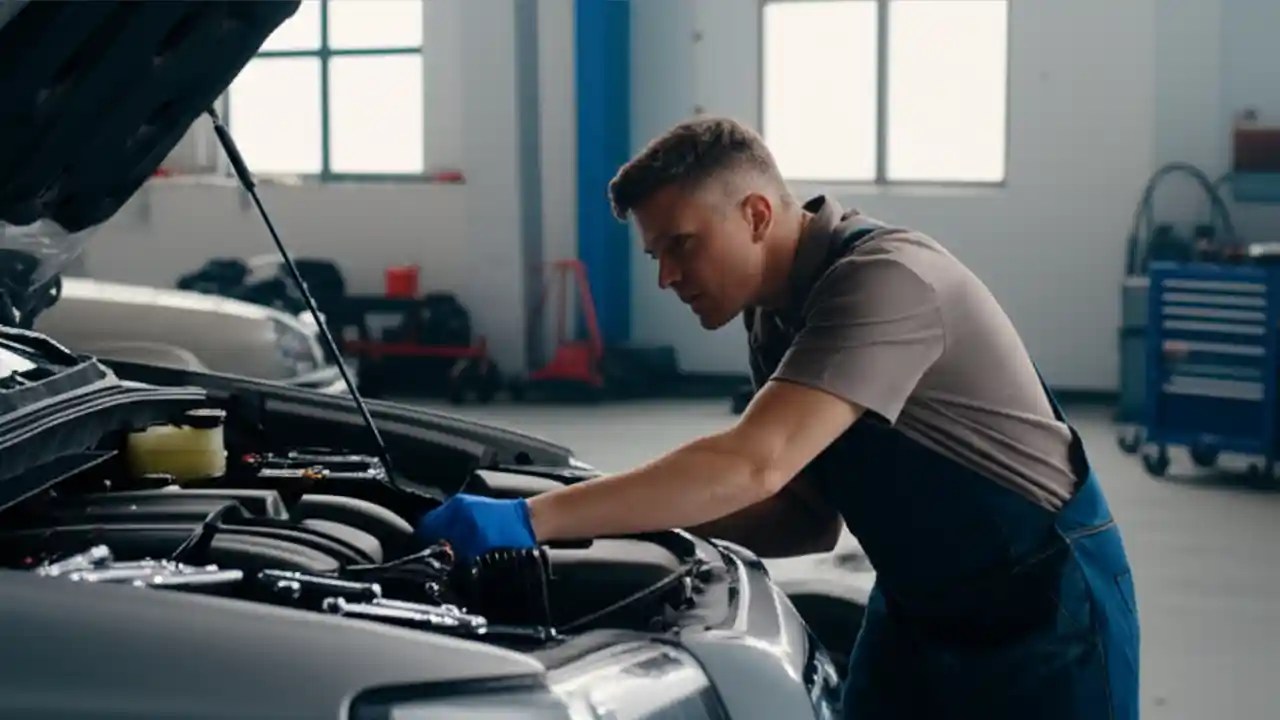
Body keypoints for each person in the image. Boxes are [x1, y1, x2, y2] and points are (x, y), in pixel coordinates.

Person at [417, 116, 1139, 719]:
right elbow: (802, 518)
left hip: (1046, 607)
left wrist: (539, 518)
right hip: (918, 603)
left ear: (756, 214)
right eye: (654, 254)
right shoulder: (773, 318)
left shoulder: (887, 282)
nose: (665, 276)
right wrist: (617, 516)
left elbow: (752, 463)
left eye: (681, 244)